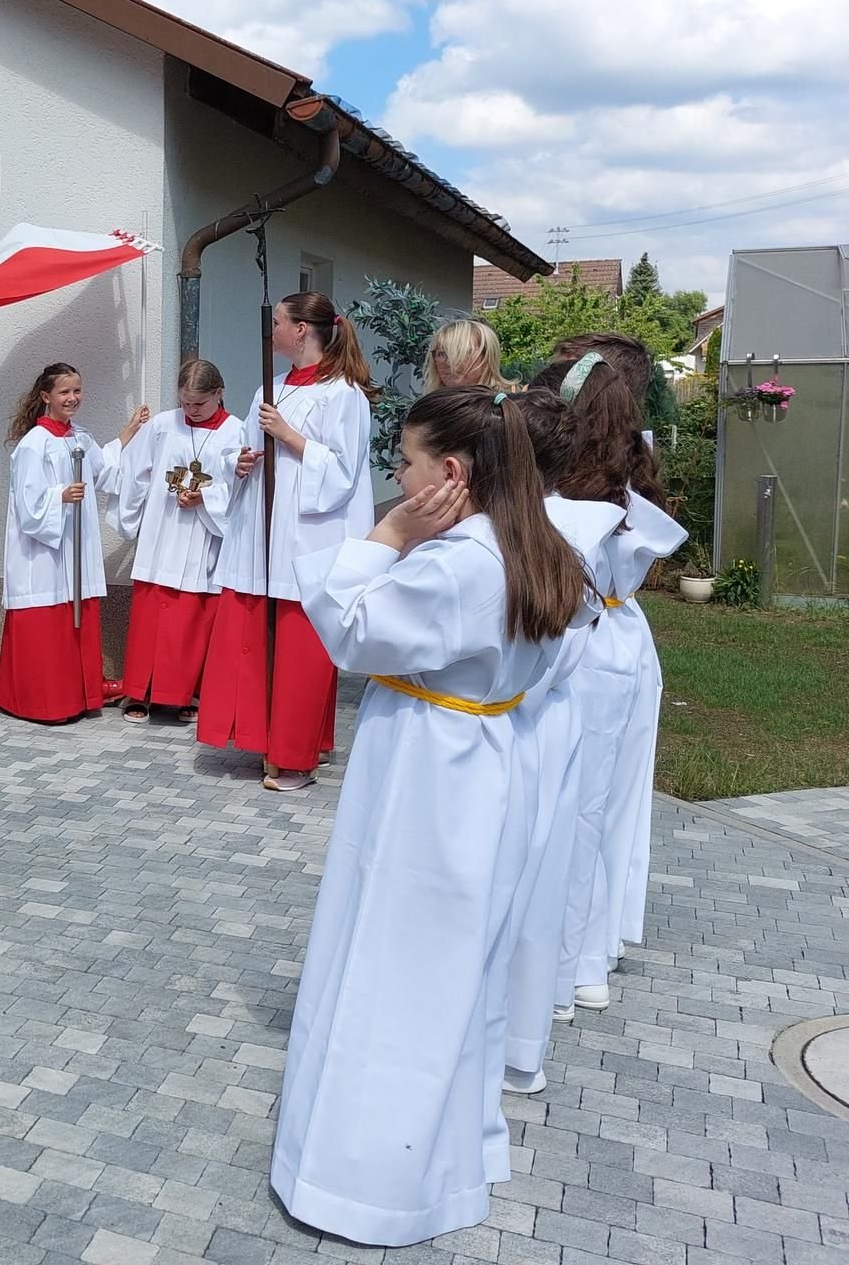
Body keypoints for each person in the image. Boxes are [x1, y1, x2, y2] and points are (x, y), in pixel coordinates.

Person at [270, 387, 591, 1247]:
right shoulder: (536, 544)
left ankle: (365, 1181)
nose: (397, 477)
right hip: (488, 758)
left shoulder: (457, 563)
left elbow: (348, 628)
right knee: (454, 969)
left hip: (428, 772)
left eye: (404, 463)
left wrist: (389, 536)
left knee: (392, 965)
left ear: (450, 474)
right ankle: (444, 1156)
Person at [527, 337, 683, 1018]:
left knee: (566, 807)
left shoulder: (561, 482)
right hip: (624, 643)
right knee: (606, 806)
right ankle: (591, 953)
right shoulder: (630, 461)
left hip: (579, 643)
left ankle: (562, 964)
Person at [495, 392, 624, 1102]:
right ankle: (524, 1028)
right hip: (544, 709)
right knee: (542, 868)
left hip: (525, 715)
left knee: (526, 872)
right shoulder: (538, 526)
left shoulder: (530, 530)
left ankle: (514, 1033)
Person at [201, 291, 376, 791]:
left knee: (302, 645)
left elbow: (344, 472)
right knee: (261, 638)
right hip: (264, 534)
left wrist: (291, 436)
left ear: (302, 329)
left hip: (308, 536)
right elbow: (247, 453)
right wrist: (239, 463)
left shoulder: (344, 394)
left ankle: (296, 755)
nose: (271, 329)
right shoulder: (269, 388)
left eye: (278, 321)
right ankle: (276, 740)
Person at [0, 363, 145, 724]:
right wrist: (59, 495)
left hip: (74, 549)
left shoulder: (79, 437)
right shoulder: (34, 444)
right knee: (49, 626)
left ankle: (78, 694)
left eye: (77, 390)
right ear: (46, 396)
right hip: (45, 554)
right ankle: (44, 701)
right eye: (65, 392)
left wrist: (130, 431)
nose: (73, 398)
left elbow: (104, 467)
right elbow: (27, 506)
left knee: (76, 620)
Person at [115, 358, 243, 725]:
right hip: (162, 532)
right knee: (149, 620)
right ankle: (139, 693)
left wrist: (206, 498)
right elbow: (136, 471)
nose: (190, 410)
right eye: (185, 402)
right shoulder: (162, 425)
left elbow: (240, 487)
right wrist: (131, 519)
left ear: (218, 394)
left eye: (198, 404)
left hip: (201, 536)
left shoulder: (236, 431)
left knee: (192, 621)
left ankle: (183, 694)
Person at [423, 318, 511, 393]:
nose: (450, 361)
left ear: (487, 356)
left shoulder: (513, 406)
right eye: (442, 353)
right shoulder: (428, 409)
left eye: (460, 352)